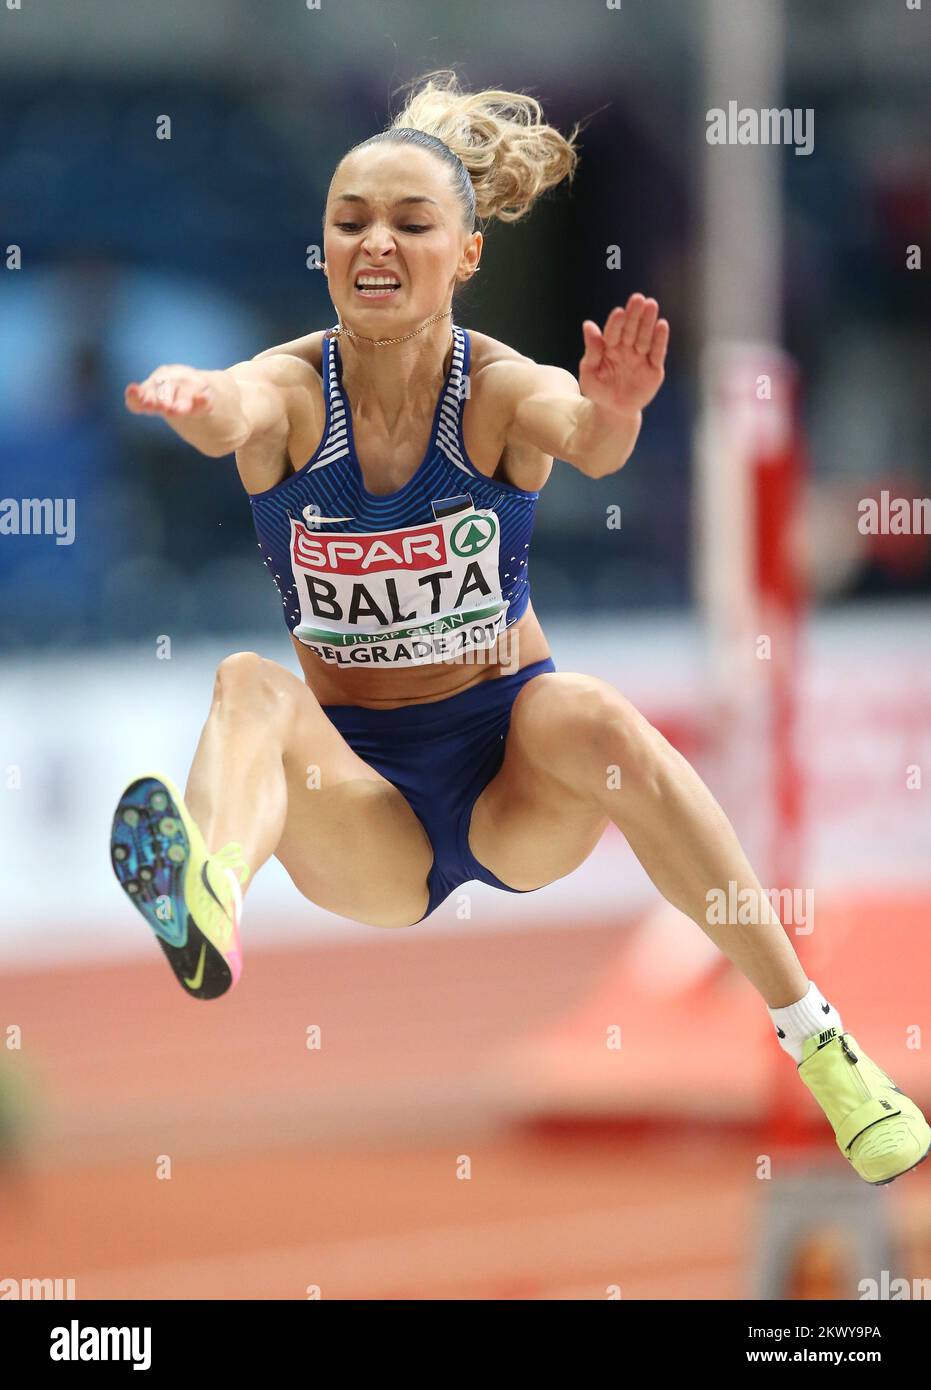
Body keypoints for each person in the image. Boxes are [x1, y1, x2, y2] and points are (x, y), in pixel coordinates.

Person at [113, 70, 928, 1186]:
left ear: (466, 253)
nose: (375, 244)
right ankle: (206, 893)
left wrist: (620, 409)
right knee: (247, 684)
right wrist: (193, 398)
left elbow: (587, 438)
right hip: (368, 816)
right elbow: (232, 408)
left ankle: (819, 1041)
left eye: (409, 223)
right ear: (325, 243)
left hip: (514, 788)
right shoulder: (292, 390)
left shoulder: (492, 390)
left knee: (587, 709)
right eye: (349, 222)